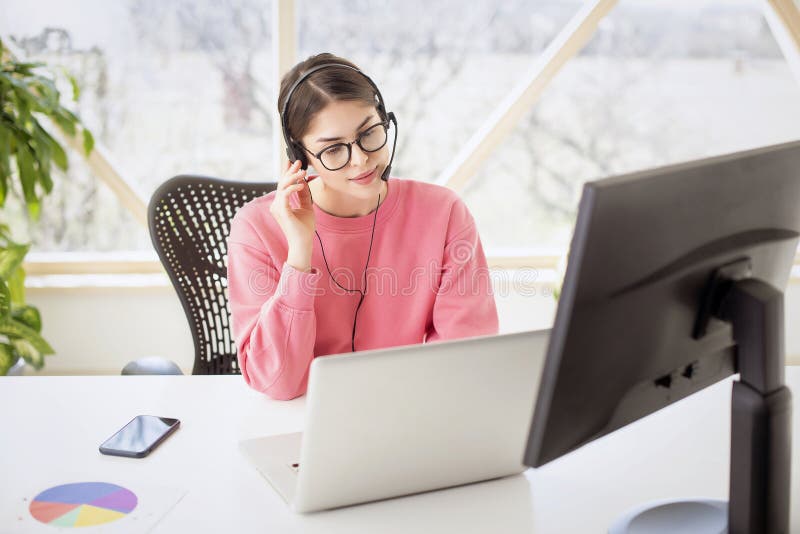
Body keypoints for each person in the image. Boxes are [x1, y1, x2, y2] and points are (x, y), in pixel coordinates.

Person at [226, 53, 499, 400]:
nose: (360, 160)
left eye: (369, 132)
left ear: (385, 120)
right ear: (301, 156)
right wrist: (299, 255)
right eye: (333, 149)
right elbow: (278, 384)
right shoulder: (256, 228)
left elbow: (466, 361)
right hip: (300, 418)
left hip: (407, 408)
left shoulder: (444, 214)